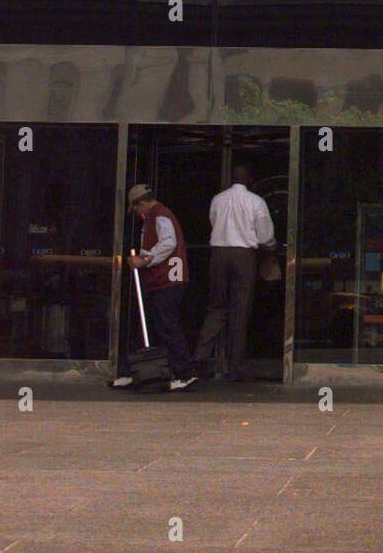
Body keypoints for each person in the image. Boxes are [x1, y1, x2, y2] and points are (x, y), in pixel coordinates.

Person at [194, 164, 277, 383]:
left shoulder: (218, 199)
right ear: (248, 179)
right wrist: (269, 247)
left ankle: (201, 358)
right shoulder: (256, 201)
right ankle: (235, 366)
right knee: (240, 311)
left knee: (216, 307)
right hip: (244, 256)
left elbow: (213, 222)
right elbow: (265, 235)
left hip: (219, 254)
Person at [111, 184, 198, 392]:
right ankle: (135, 371)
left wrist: (143, 260)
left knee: (167, 326)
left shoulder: (159, 215)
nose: (137, 214)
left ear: (141, 203)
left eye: (136, 209)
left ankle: (185, 373)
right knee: (148, 326)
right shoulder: (155, 217)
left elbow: (168, 242)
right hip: (162, 282)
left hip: (168, 282)